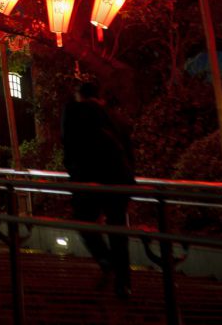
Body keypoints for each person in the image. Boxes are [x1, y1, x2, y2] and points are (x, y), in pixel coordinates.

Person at [62, 80, 136, 299]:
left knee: (83, 221)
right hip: (118, 181)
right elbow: (128, 151)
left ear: (79, 95)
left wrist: (74, 176)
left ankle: (106, 260)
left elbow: (69, 146)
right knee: (118, 232)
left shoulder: (74, 112)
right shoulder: (115, 117)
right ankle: (124, 284)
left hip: (89, 180)